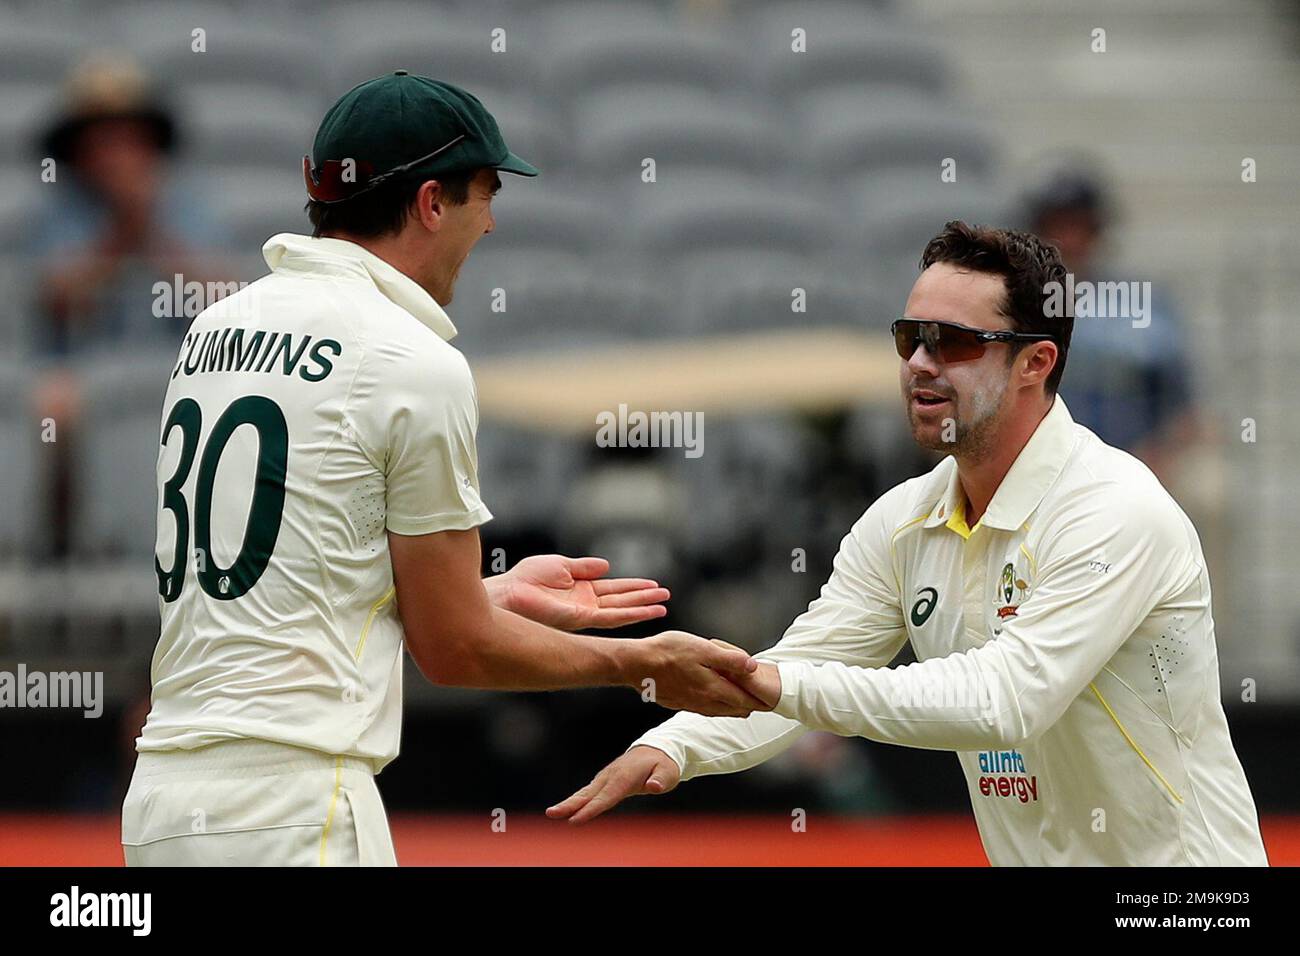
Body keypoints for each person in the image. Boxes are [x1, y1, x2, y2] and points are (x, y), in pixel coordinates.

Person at [121, 72, 765, 867]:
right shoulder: (410, 359)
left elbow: (292, 591)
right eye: (484, 193)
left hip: (160, 803)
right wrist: (641, 665)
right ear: (431, 203)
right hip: (292, 806)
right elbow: (455, 649)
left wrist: (488, 595)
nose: (490, 223)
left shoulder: (212, 331)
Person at [551, 221, 1268, 867]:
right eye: (910, 338)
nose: (921, 363)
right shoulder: (903, 519)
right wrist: (671, 746)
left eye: (953, 342)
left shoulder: (1115, 508)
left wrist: (779, 685)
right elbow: (806, 664)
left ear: (1035, 362)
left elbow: (1004, 702)